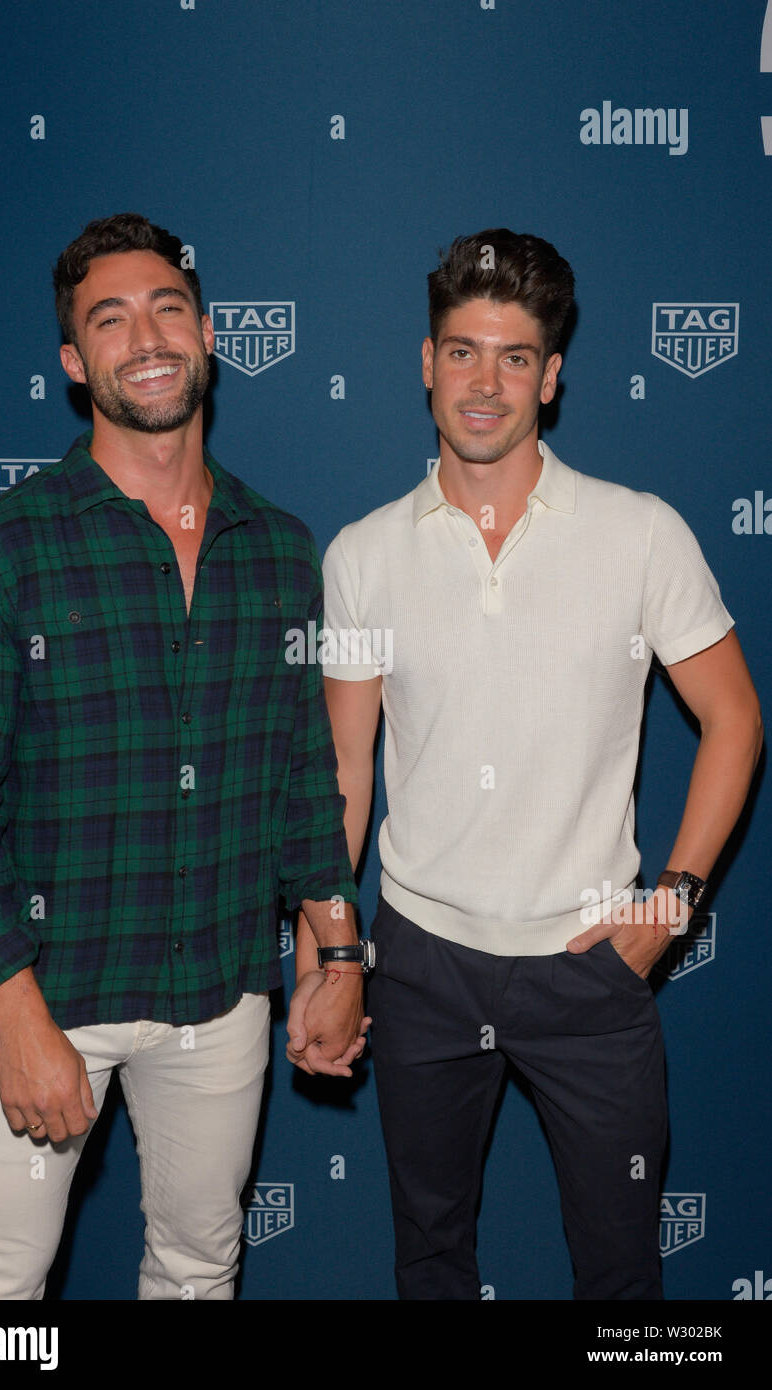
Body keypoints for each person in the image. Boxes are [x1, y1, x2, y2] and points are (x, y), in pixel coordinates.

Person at [288, 228, 763, 1300]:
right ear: (426, 362)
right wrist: (328, 956)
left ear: (550, 377)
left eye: (513, 358)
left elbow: (735, 720)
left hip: (590, 966)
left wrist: (670, 906)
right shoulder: (363, 555)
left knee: (621, 1275)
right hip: (421, 959)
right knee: (431, 1258)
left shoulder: (639, 534)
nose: (484, 383)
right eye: (462, 352)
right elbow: (345, 773)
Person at [0, 212, 367, 1301]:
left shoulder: (279, 549)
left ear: (206, 335)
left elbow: (304, 781)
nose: (146, 336)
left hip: (221, 995)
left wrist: (342, 955)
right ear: (75, 362)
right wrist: (17, 1016)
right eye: (109, 319)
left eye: (167, 308)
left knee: (198, 1270)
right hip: (46, 995)